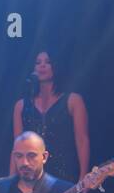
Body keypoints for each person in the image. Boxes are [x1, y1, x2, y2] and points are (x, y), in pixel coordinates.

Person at [11, 50, 89, 182]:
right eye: (38, 63)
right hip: (32, 176)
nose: (42, 66)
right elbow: (17, 147)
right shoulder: (22, 106)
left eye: (47, 62)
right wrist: (11, 180)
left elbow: (82, 140)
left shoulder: (73, 101)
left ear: (56, 66)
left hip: (65, 175)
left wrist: (84, 175)